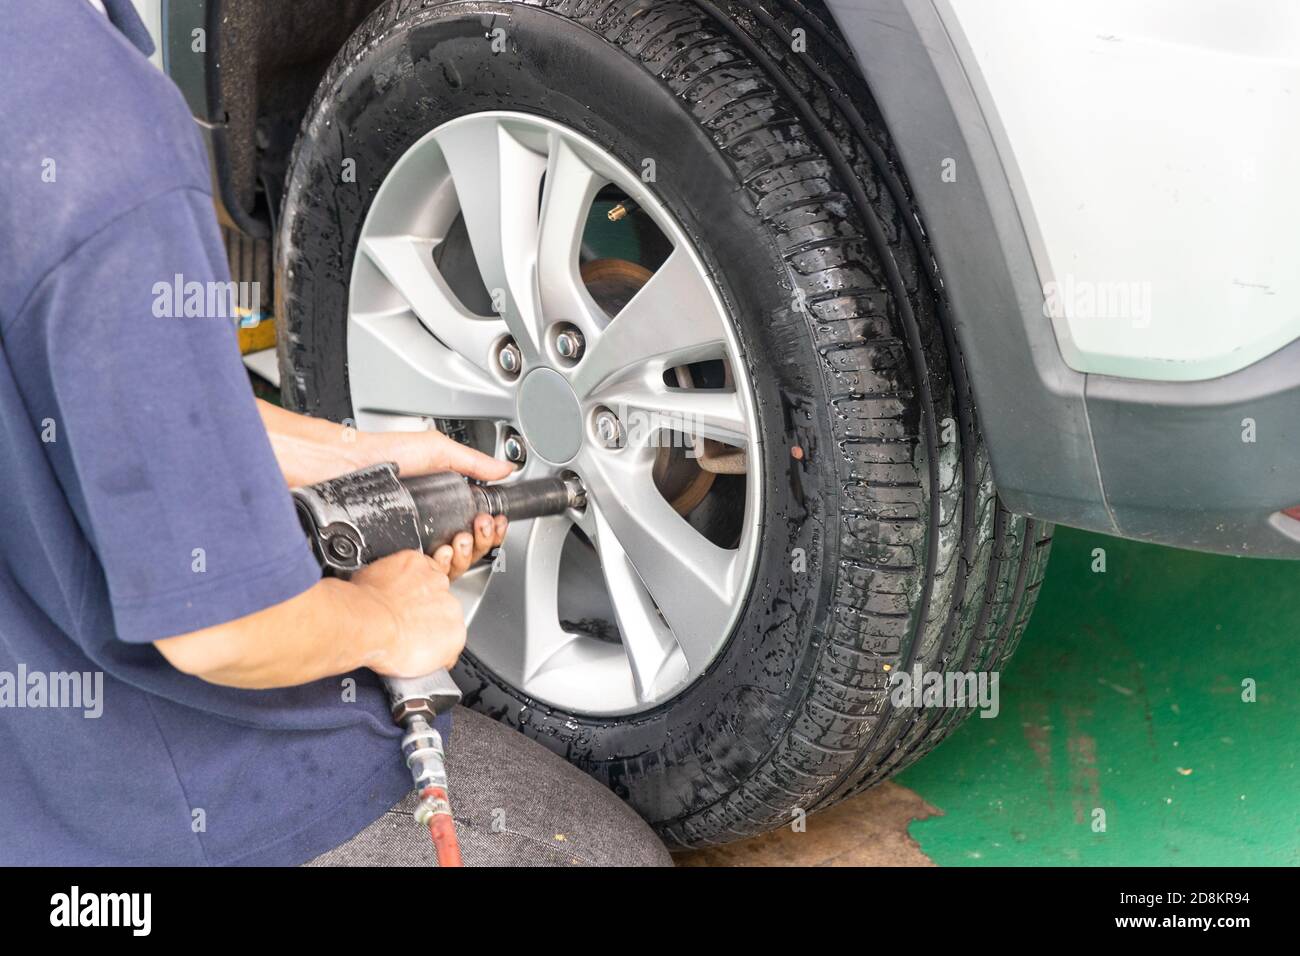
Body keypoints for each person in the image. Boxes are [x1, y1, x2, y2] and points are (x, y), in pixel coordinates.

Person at [0, 0, 670, 867]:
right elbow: (222, 630)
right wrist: (383, 619)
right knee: (614, 858)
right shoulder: (99, 131)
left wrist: (350, 453)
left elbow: (91, 385)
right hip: (147, 810)